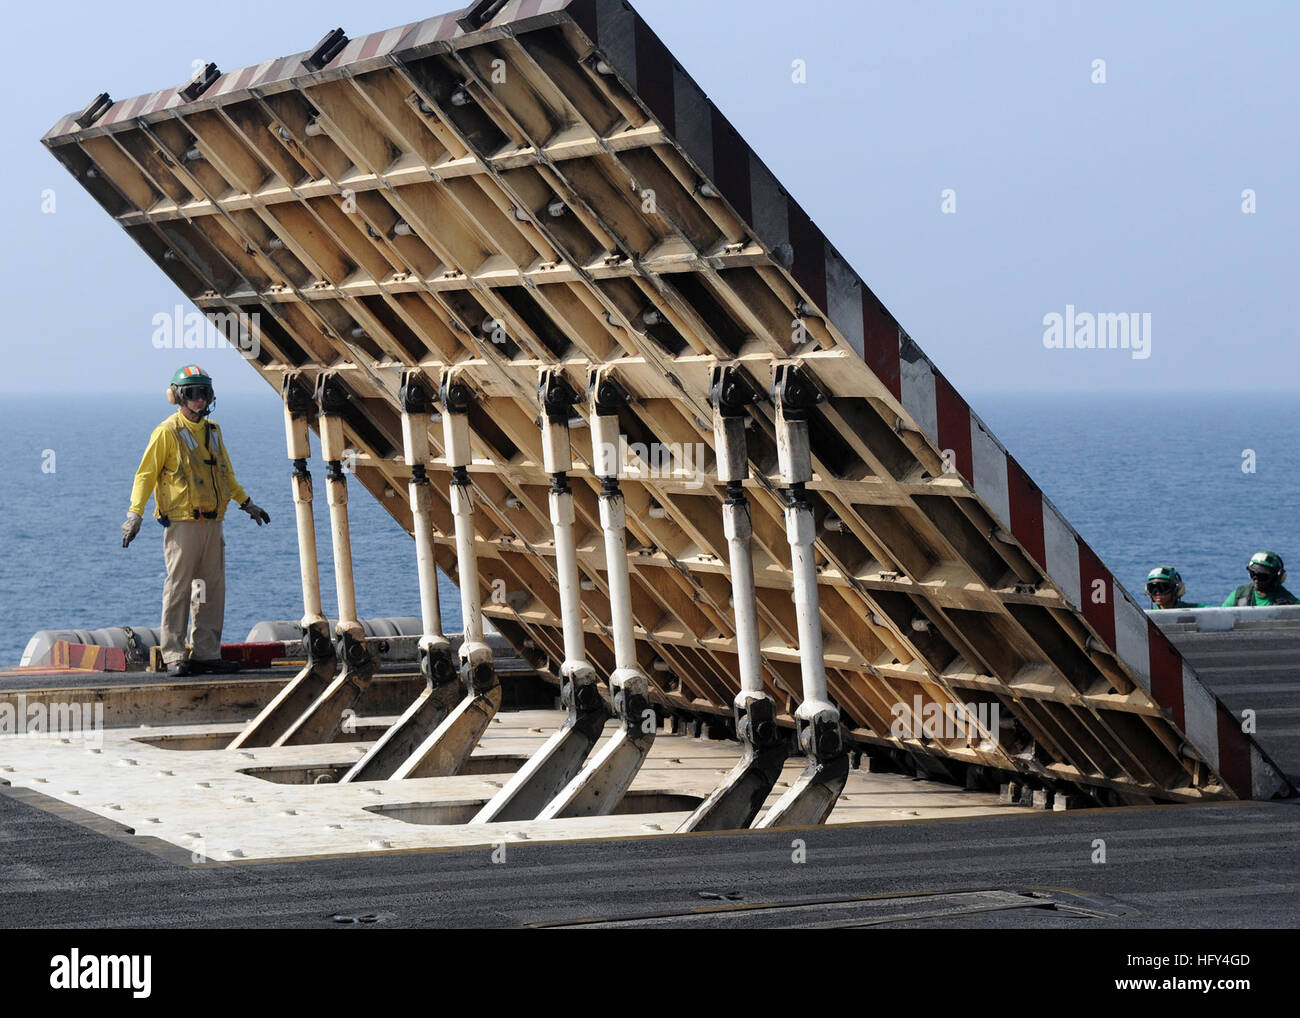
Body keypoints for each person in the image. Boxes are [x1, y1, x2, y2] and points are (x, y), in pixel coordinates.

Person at [120, 365, 271, 676]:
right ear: (177, 396)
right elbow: (145, 475)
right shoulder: (167, 433)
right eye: (192, 394)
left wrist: (247, 503)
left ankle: (206, 653)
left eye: (203, 393)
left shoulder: (213, 432)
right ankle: (174, 655)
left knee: (209, 590)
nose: (199, 400)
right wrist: (134, 514)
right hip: (182, 524)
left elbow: (226, 474)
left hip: (213, 524)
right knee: (179, 588)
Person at [1222, 550, 1299, 607]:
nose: (1256, 580)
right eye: (1253, 574)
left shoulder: (1290, 603)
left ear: (1275, 578)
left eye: (1262, 576)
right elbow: (1221, 613)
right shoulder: (1239, 595)